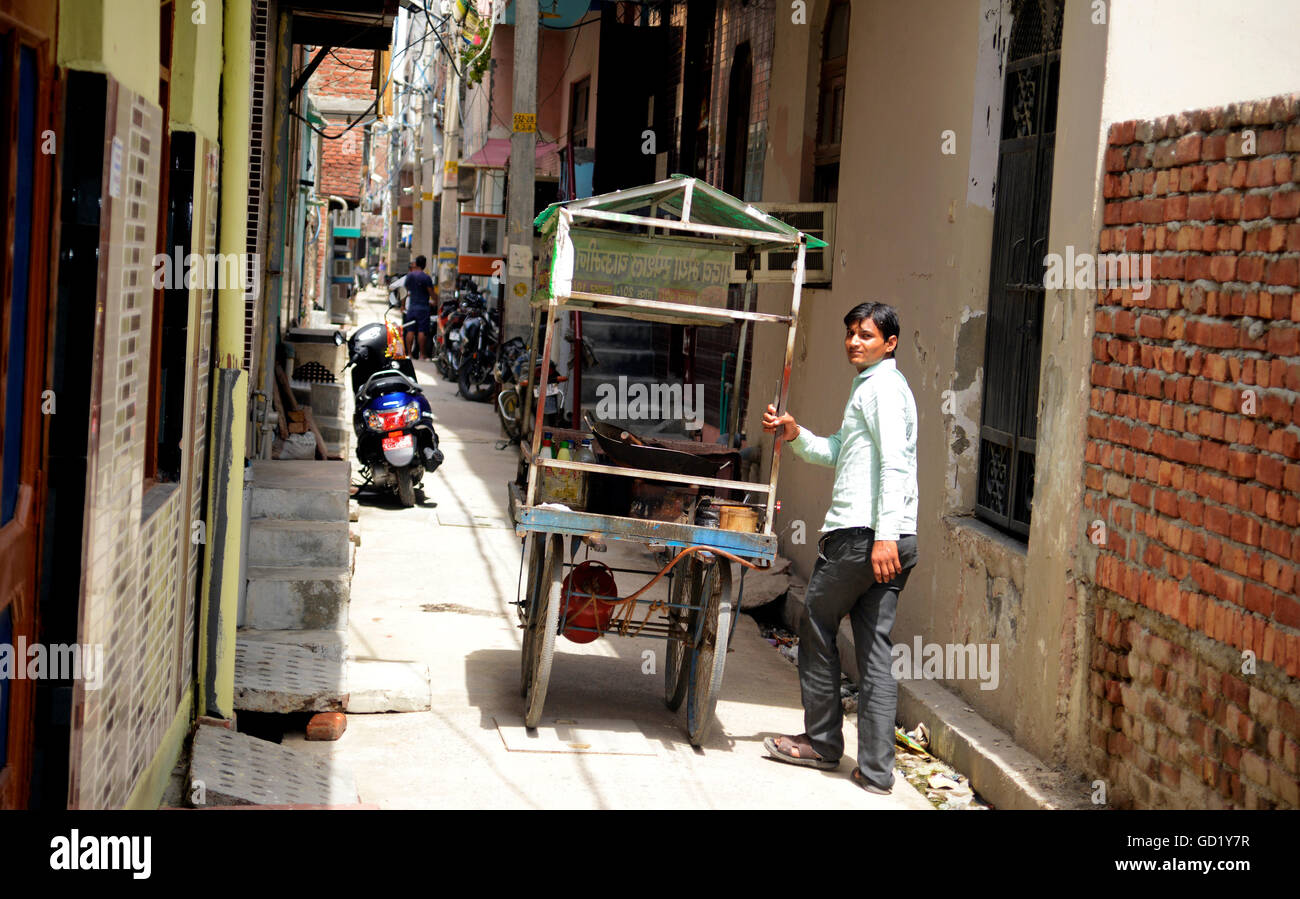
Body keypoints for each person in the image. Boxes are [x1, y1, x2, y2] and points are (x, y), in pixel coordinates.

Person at [761, 301, 919, 795]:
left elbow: (895, 465)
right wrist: (797, 434)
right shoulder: (870, 387)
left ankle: (824, 741)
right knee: (874, 652)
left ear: (890, 343)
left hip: (866, 538)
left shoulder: (883, 391)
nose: (855, 342)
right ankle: (876, 773)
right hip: (884, 539)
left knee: (816, 621)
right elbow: (842, 452)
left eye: (867, 335)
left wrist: (885, 536)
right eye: (851, 333)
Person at [402, 255, 435, 359]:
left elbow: (404, 292)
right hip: (423, 309)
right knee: (422, 331)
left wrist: (402, 306)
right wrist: (437, 301)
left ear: (416, 263)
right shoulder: (426, 278)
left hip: (412, 308)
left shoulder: (410, 276)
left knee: (410, 331)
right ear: (424, 265)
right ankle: (422, 355)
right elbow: (431, 293)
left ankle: (409, 355)